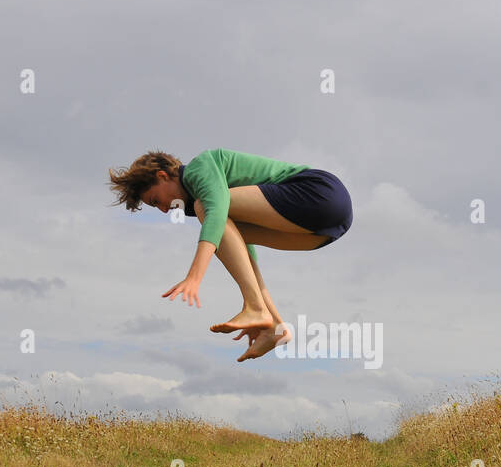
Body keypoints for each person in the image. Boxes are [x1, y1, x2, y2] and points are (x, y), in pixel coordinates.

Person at [108, 148, 353, 361]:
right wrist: (270, 314)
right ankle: (274, 327)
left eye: (155, 201)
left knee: (208, 208)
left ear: (162, 176)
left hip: (320, 193)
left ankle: (255, 308)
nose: (162, 210)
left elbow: (215, 213)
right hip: (321, 231)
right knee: (219, 221)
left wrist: (194, 277)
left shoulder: (199, 168)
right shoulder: (202, 202)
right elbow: (243, 252)